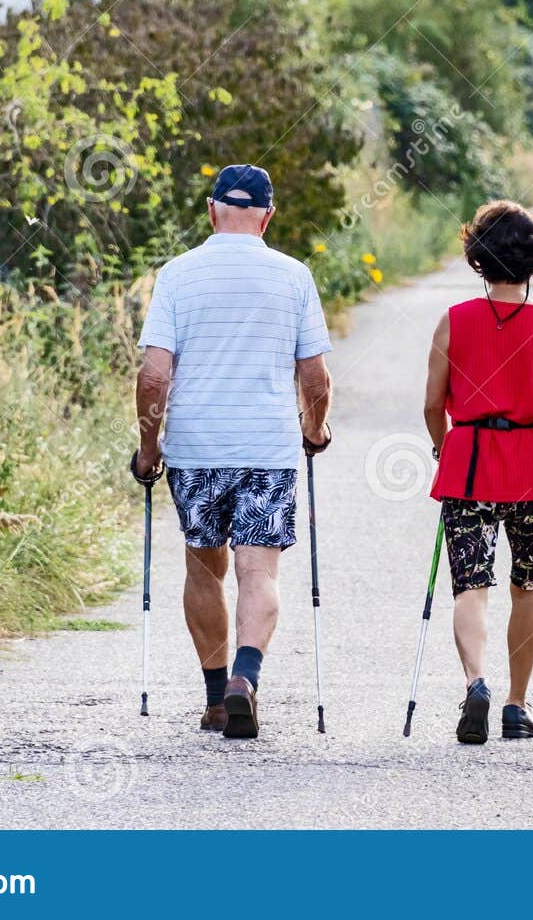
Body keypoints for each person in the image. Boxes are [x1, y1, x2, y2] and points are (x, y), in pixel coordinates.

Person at [131, 163, 333, 740]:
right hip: (266, 447)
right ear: (268, 217)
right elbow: (315, 378)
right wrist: (315, 430)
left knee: (204, 565)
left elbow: (153, 376)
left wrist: (150, 448)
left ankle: (218, 698)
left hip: (195, 446)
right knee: (257, 569)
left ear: (211, 209)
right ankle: (248, 676)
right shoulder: (294, 277)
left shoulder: (177, 275)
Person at [423, 200, 533, 744]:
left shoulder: (453, 321)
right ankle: (516, 706)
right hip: (532, 469)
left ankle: (476, 681)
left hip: (469, 462)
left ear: (478, 258)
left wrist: (442, 447)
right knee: (528, 584)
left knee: (470, 585)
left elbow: (432, 404)